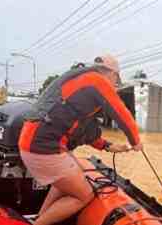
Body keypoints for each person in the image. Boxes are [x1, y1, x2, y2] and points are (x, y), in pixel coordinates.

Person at [18, 54, 143, 225]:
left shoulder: (82, 83)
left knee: (66, 180)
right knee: (84, 194)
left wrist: (108, 145)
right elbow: (121, 113)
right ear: (112, 74)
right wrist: (136, 140)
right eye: (116, 78)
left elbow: (84, 129)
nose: (115, 84)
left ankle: (40, 217)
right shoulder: (96, 81)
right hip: (43, 147)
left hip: (33, 143)